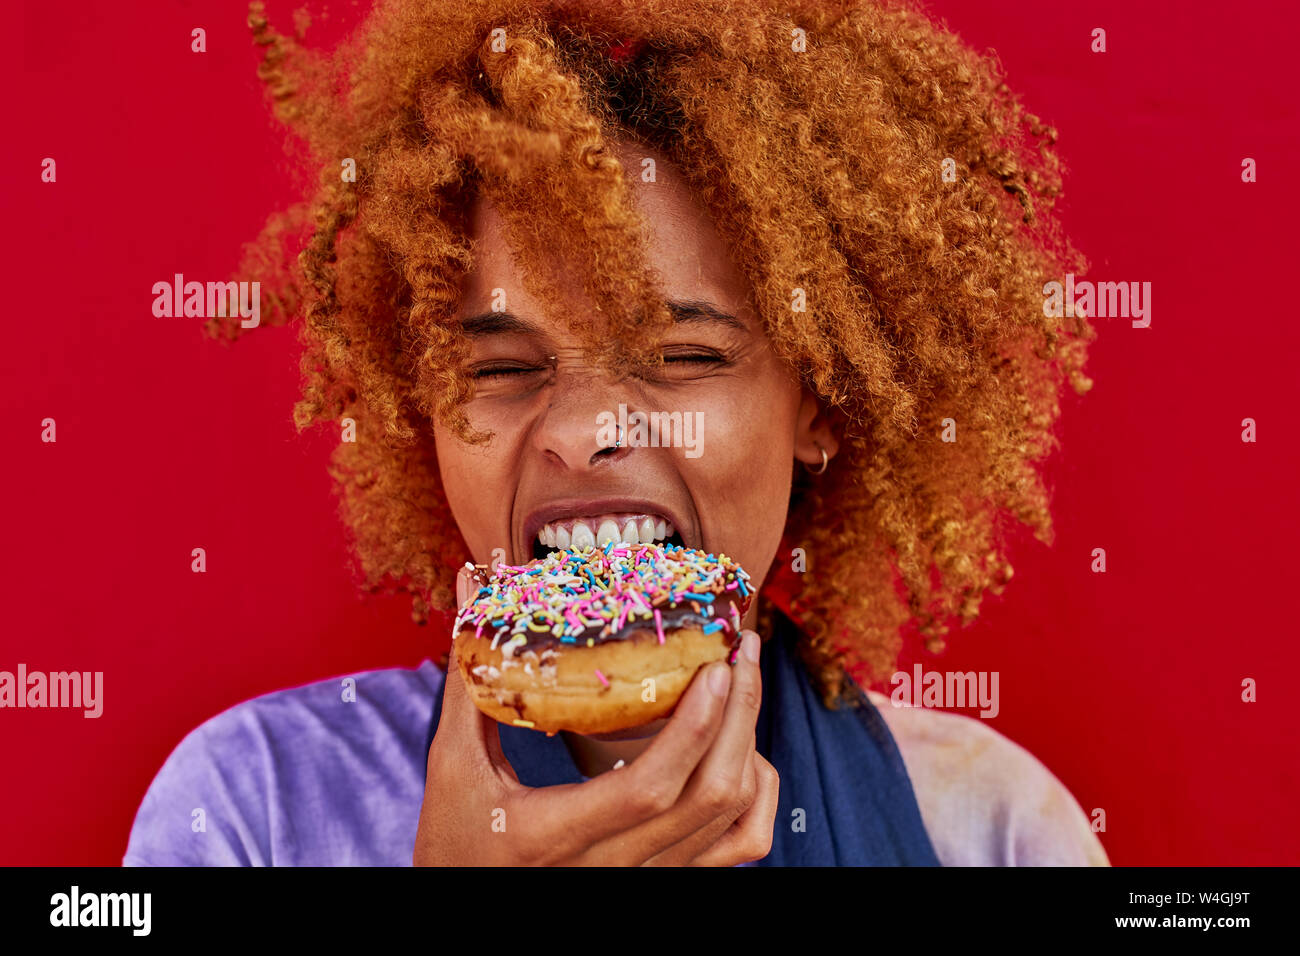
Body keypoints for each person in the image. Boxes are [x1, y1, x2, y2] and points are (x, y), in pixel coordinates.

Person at [125, 0, 1106, 866]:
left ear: (818, 406)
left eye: (681, 356)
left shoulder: (996, 830)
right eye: (503, 368)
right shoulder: (247, 809)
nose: (587, 432)